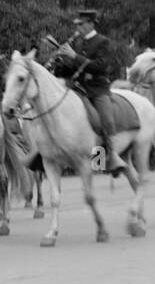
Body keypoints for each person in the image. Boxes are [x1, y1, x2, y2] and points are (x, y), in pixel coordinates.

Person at [53, 9, 126, 172]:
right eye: (77, 24)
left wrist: (73, 56)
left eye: (81, 24)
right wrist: (59, 64)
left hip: (98, 88)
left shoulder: (103, 42)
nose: (78, 27)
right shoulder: (77, 43)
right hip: (79, 88)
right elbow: (73, 69)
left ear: (91, 24)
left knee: (105, 120)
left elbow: (100, 66)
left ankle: (112, 155)